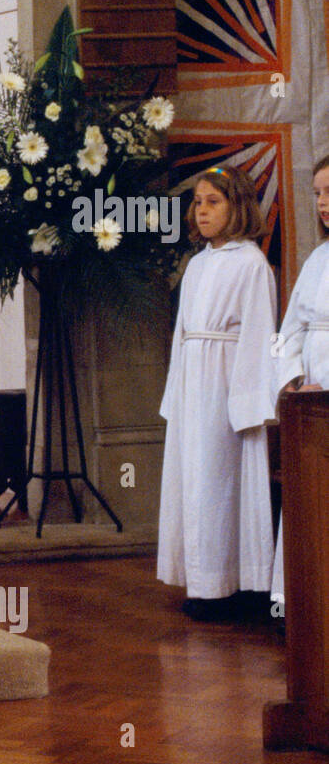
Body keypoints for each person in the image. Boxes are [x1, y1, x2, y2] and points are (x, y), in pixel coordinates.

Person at [158, 165, 278, 621]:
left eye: (214, 202)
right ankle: (204, 579)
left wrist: (247, 403)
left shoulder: (250, 263)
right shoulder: (199, 263)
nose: (202, 210)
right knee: (194, 481)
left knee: (222, 483)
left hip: (228, 387)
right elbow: (183, 335)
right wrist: (178, 392)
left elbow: (260, 335)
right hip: (194, 382)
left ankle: (234, 584)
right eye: (198, 202)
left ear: (238, 207)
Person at [270, 154, 329, 610]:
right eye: (317, 194)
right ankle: (303, 605)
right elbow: (287, 333)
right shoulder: (316, 260)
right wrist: (291, 378)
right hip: (311, 400)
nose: (323, 204)